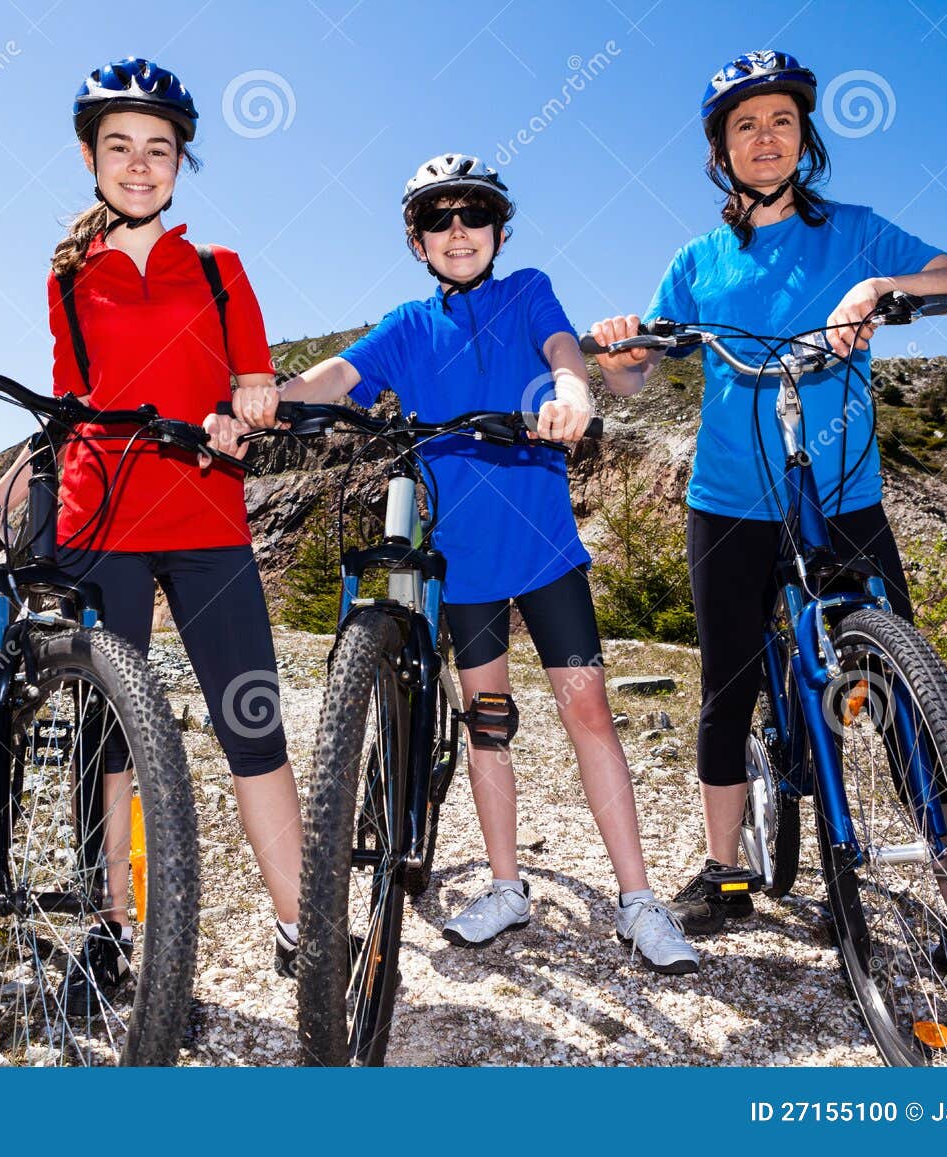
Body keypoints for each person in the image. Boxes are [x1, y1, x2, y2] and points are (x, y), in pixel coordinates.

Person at [240, 154, 700, 975]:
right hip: (465, 559)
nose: (460, 231)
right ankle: (504, 883)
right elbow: (339, 374)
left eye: (474, 215)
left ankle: (638, 900)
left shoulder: (527, 291)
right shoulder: (409, 326)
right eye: (439, 220)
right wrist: (276, 396)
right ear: (417, 240)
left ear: (498, 228)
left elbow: (565, 355)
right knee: (486, 719)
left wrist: (575, 396)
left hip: (544, 547)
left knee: (588, 709)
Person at [589, 51, 947, 954]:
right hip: (729, 499)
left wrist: (880, 288)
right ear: (720, 152)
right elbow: (633, 383)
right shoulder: (697, 261)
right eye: (744, 125)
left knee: (900, 694)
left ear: (804, 138)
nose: (764, 138)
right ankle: (726, 871)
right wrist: (620, 347)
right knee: (728, 682)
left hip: (844, 492)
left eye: (780, 121)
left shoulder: (855, 230)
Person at [0, 56, 305, 993]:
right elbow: (65, 412)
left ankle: (306, 924)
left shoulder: (221, 272)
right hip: (100, 518)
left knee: (250, 722)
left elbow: (254, 384)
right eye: (120, 147)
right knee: (108, 737)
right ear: (92, 158)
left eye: (159, 149)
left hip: (206, 514)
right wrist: (0, 496)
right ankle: (108, 929)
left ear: (181, 162)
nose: (139, 165)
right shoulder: (68, 280)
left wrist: (249, 401)